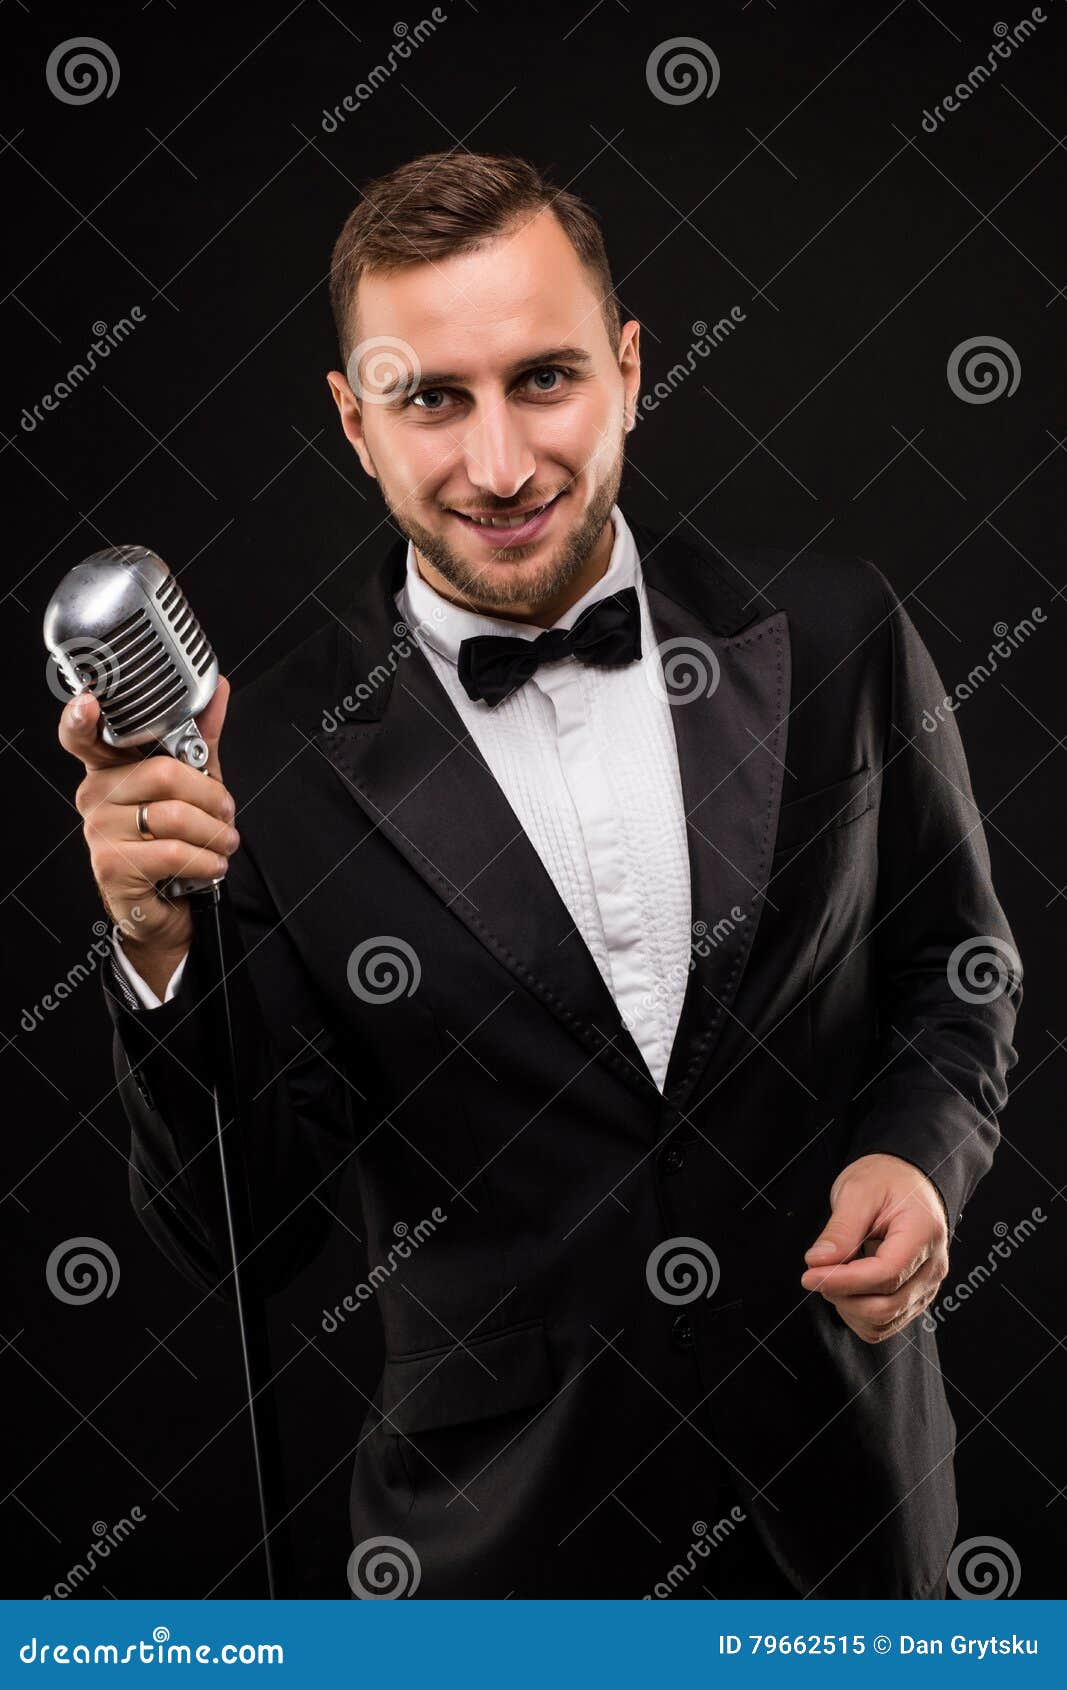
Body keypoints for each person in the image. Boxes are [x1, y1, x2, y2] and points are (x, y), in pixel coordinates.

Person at [60, 150, 1021, 1599]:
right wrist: (149, 941)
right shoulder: (270, 776)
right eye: (432, 398)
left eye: (546, 379)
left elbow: (958, 974)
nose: (499, 465)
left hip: (855, 1523)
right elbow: (244, 1227)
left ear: (632, 370)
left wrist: (919, 1159)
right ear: (354, 423)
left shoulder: (837, 636)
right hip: (504, 1566)